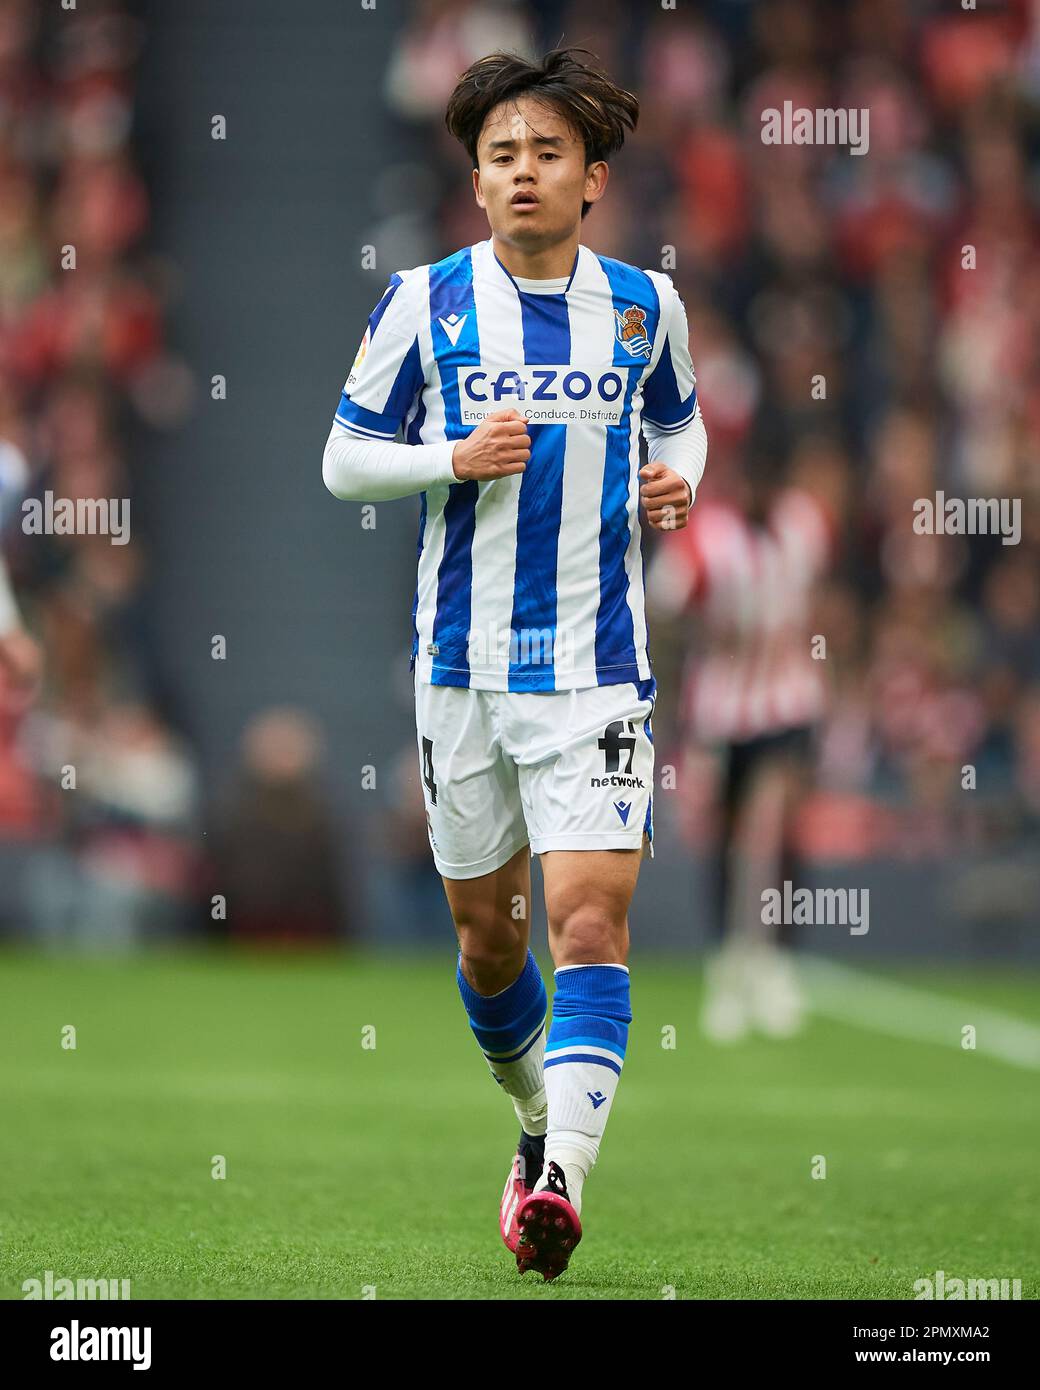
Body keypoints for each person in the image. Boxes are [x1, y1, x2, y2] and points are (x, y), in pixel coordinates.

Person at [322, 47, 707, 1281]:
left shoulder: (647, 303)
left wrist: (678, 479)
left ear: (591, 177)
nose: (522, 172)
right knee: (489, 946)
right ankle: (533, 1125)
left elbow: (682, 420)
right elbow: (342, 459)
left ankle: (564, 1181)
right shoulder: (419, 301)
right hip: (461, 674)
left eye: (546, 153)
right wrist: (449, 458)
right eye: (500, 156)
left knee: (588, 924)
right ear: (475, 183)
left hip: (595, 668)